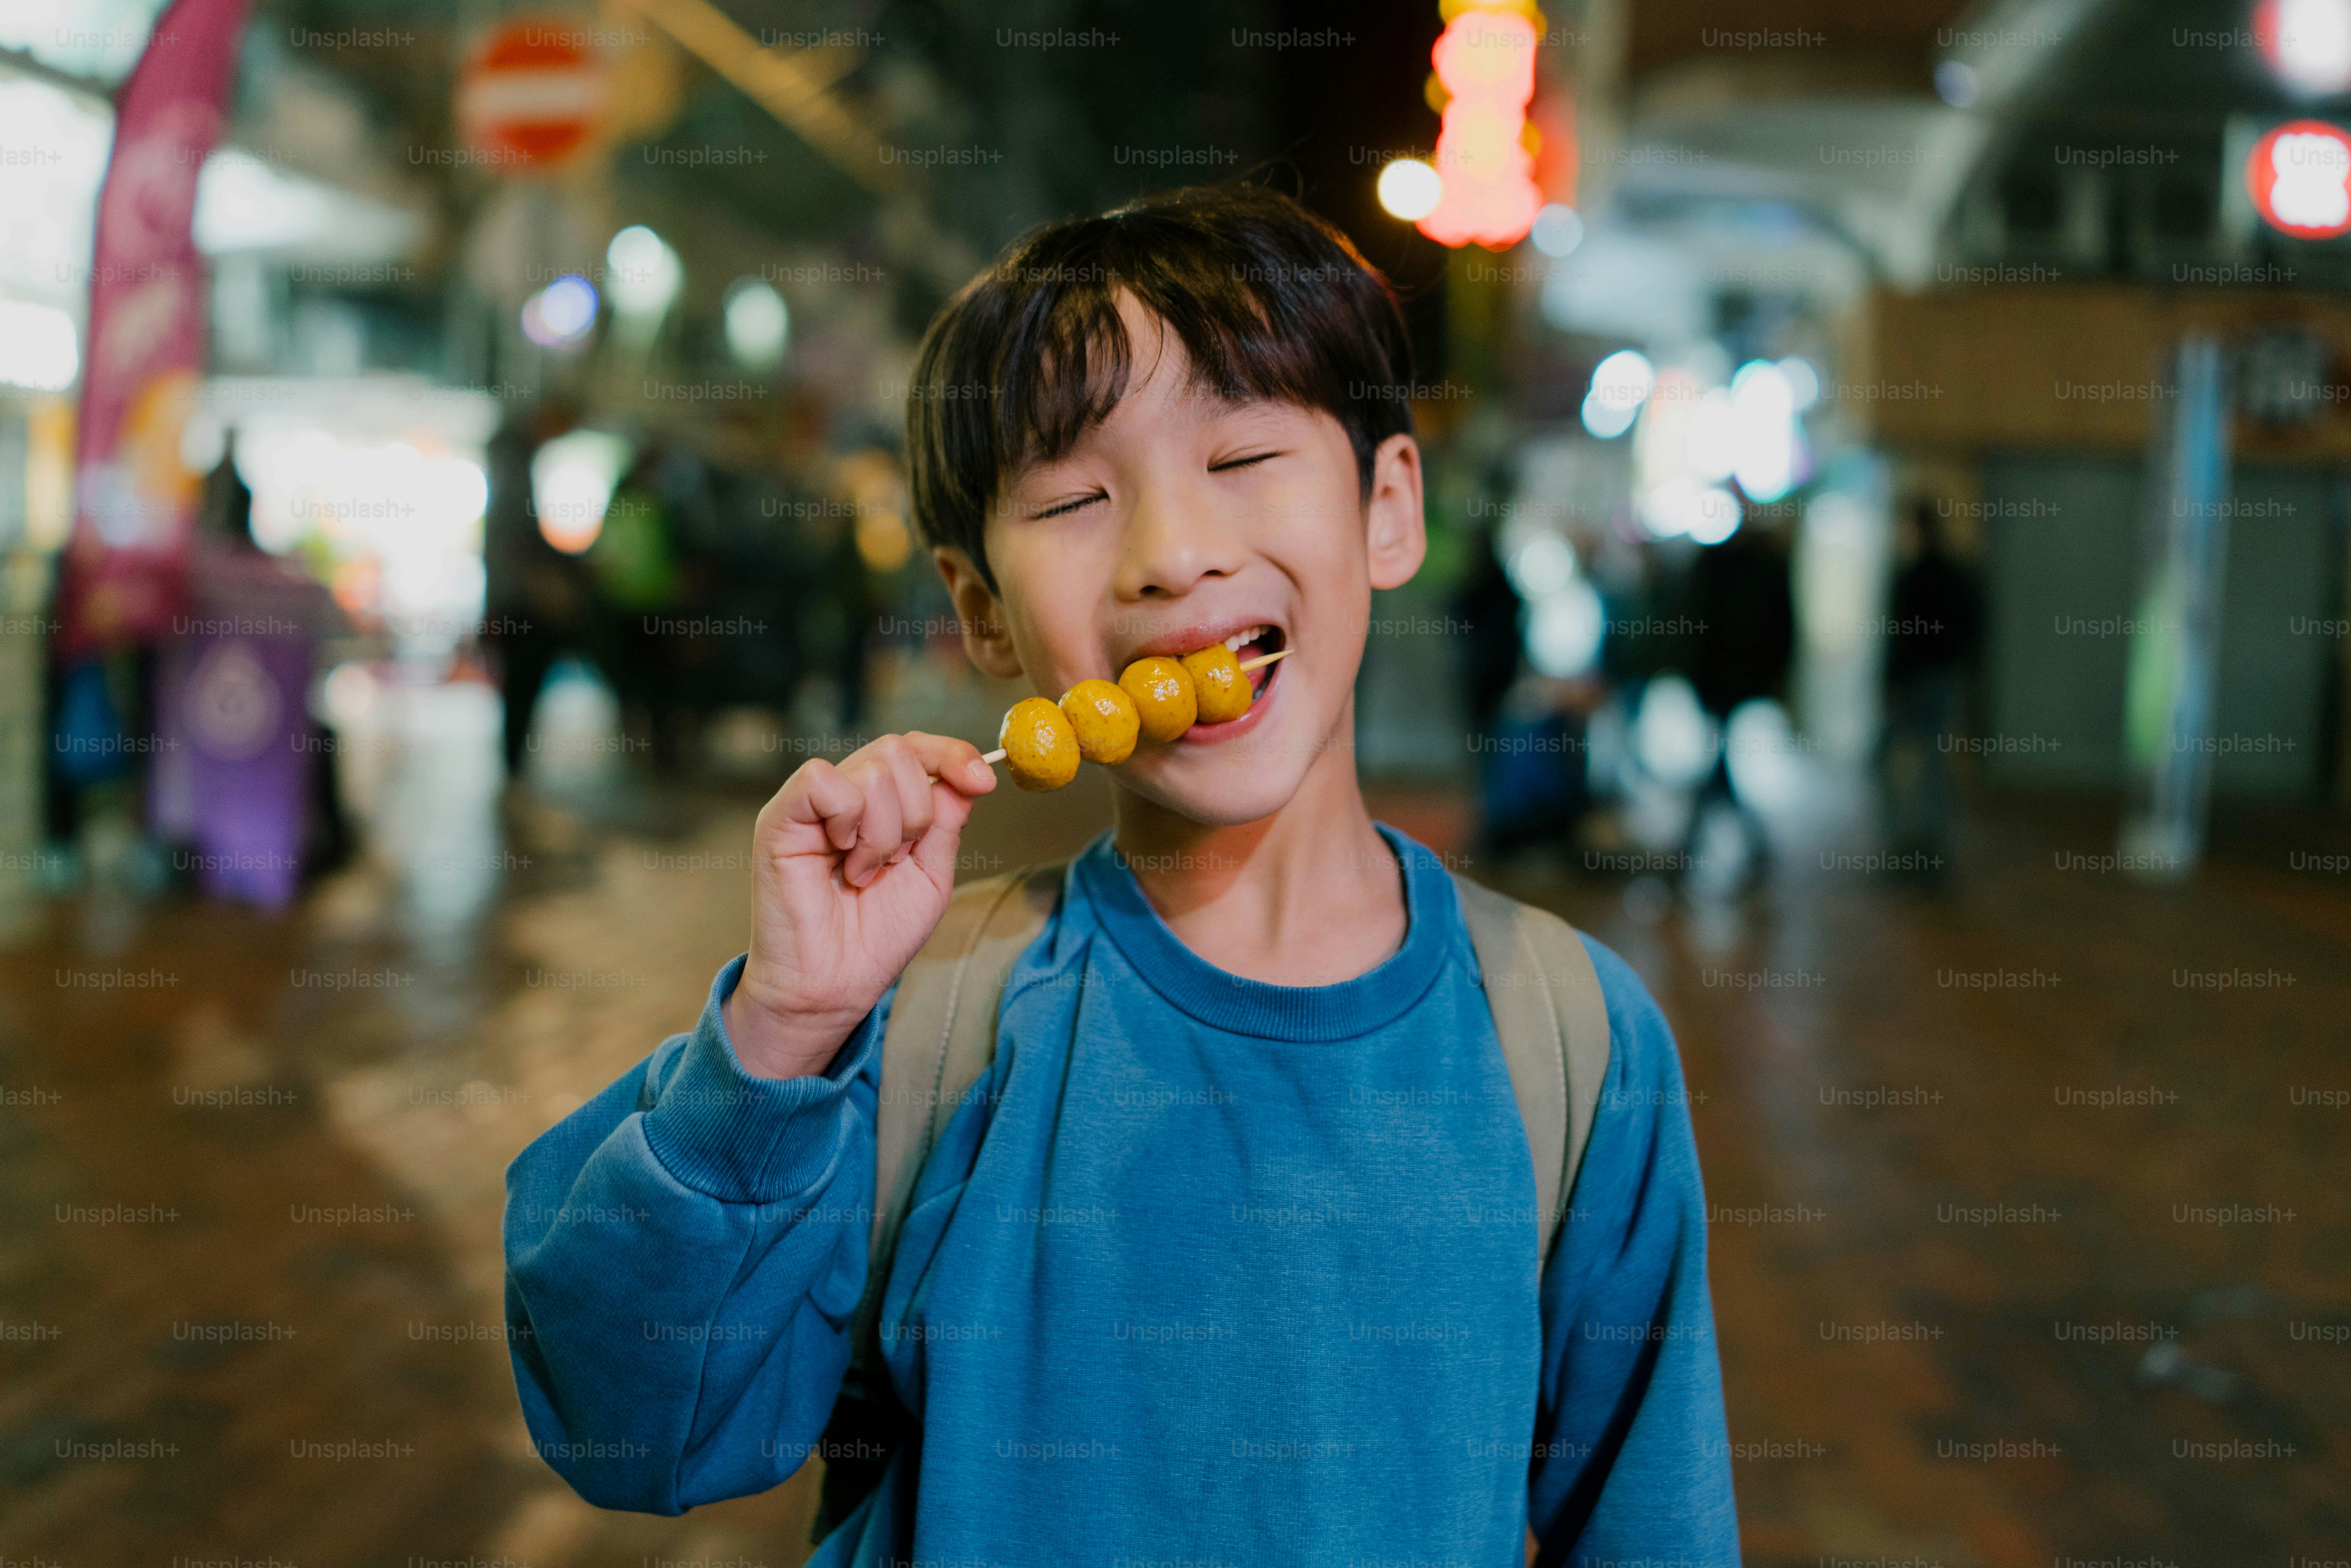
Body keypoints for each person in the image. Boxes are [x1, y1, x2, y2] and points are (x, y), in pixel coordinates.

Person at [500, 185, 1737, 1565]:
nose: (1170, 553)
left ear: (1387, 509)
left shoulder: (1571, 1039)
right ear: (982, 612)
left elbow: (1648, 1527)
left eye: (1245, 453)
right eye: (1079, 495)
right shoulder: (919, 1020)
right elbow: (636, 1429)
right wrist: (785, 1031)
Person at [1681, 505, 1795, 888]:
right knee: (1719, 766)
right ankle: (1741, 846)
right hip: (1724, 681)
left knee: (1718, 766)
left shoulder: (1752, 565)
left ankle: (1691, 846)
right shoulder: (1727, 564)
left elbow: (1780, 624)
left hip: (1734, 680)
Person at [1878, 500, 1984, 873]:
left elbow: (1901, 636)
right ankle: (1929, 849)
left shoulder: (1915, 576)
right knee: (1932, 764)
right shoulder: (1956, 575)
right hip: (1942, 678)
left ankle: (1913, 846)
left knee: (1897, 761)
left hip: (1920, 681)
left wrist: (1893, 682)